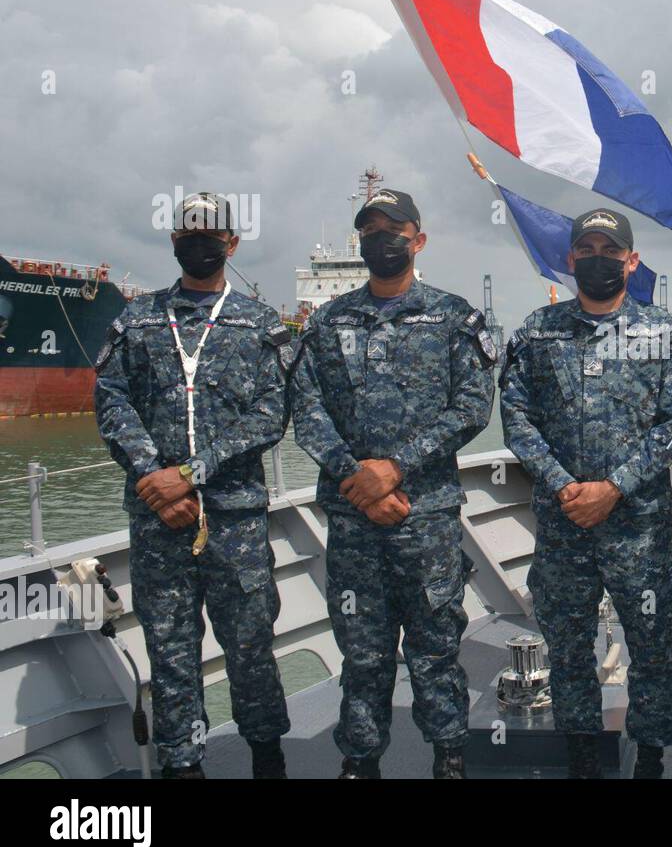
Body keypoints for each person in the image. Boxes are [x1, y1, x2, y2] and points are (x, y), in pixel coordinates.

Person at [290, 187, 495, 779]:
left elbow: (472, 407)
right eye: (372, 231)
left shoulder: (455, 317)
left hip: (425, 518)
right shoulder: (328, 321)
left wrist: (395, 467)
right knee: (362, 653)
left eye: (393, 230)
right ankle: (360, 761)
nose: (383, 241)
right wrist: (358, 476)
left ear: (418, 240)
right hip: (355, 518)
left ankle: (449, 757)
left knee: (435, 651)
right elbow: (306, 408)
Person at [95, 192, 292, 778]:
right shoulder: (137, 319)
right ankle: (183, 766)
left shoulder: (260, 324)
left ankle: (267, 758)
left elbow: (271, 411)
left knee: (251, 649)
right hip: (158, 521)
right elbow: (111, 399)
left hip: (233, 519)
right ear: (174, 240)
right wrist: (153, 476)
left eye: (212, 233)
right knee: (171, 655)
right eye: (188, 232)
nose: (199, 241)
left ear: (232, 243)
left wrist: (190, 474)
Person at [499, 208, 672, 778]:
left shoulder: (666, 332)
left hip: (639, 527)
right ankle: (582, 754)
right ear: (570, 259)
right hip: (564, 528)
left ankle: (652, 757)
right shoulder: (538, 330)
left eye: (612, 250)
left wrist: (614, 487)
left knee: (653, 649)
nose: (599, 259)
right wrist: (565, 487)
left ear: (631, 261)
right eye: (587, 249)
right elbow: (516, 417)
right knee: (568, 649)